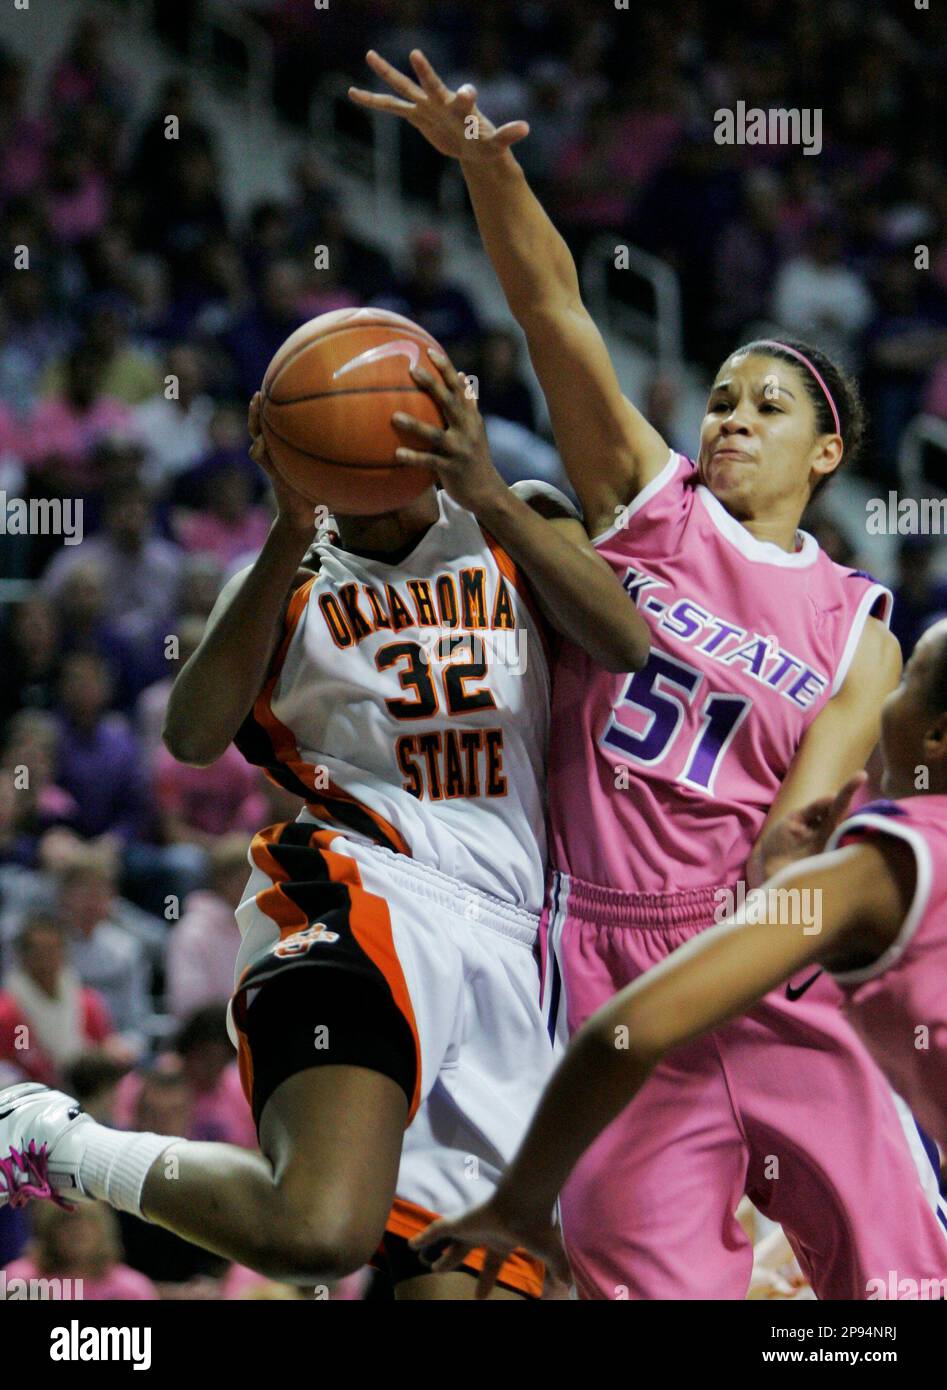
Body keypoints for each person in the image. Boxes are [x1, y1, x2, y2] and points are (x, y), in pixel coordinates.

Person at [349, 50, 947, 1300]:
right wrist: (486, 173)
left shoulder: (857, 620)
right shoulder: (645, 500)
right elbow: (555, 312)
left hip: (763, 950)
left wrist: (790, 870)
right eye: (719, 395)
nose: (727, 417)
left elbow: (812, 802)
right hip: (607, 956)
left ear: (826, 448)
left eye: (766, 406)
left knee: (901, 1279)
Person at [0, 351, 648, 1302]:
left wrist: (488, 490)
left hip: (515, 946)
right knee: (317, 1231)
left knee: (469, 1284)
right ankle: (57, 1142)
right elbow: (190, 733)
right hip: (359, 891)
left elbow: (623, 638)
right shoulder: (292, 574)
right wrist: (286, 524)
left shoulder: (515, 521)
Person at [413, 618, 947, 1295]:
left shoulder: (883, 864)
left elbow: (623, 1033)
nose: (885, 700)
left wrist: (521, 1197)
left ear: (935, 735)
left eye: (903, 686)